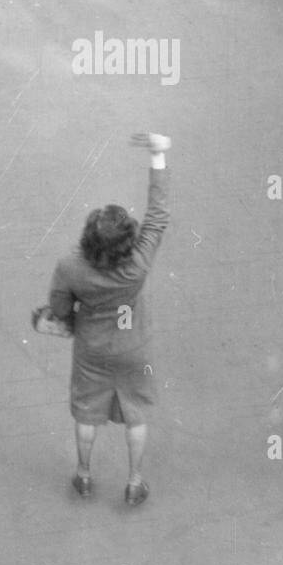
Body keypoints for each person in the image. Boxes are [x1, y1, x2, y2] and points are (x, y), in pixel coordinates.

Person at [48, 133, 172, 507]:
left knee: (87, 413)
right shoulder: (138, 264)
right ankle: (134, 481)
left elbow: (58, 308)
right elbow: (158, 215)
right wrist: (158, 154)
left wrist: (63, 318)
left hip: (93, 350)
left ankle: (84, 475)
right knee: (136, 417)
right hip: (134, 348)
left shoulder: (70, 266)